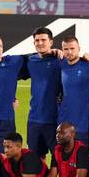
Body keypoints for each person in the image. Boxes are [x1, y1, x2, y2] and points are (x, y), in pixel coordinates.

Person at [24, 27, 64, 158]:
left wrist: (88, 57)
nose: (40, 43)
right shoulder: (30, 60)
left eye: (43, 40)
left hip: (54, 118)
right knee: (35, 157)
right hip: (34, 118)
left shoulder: (61, 60)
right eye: (37, 40)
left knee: (58, 157)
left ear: (51, 42)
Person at [57, 36, 89, 145]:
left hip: (83, 126)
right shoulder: (60, 63)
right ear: (62, 50)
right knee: (63, 159)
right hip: (63, 124)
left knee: (83, 160)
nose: (69, 52)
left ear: (79, 49)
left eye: (72, 48)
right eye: (66, 49)